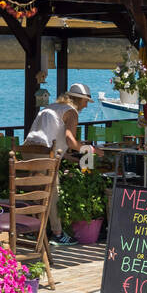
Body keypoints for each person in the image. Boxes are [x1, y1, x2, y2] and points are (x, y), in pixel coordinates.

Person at [24, 83, 95, 245]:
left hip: (28, 150)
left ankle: (34, 230)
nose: (85, 106)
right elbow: (70, 140)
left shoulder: (53, 107)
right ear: (79, 100)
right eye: (85, 102)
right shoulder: (72, 112)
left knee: (38, 190)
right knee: (52, 192)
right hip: (44, 153)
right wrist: (91, 149)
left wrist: (72, 159)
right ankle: (57, 233)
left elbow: (55, 139)